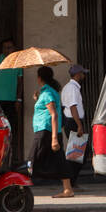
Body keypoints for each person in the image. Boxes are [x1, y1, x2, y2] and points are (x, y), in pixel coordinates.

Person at [31, 66, 73, 198]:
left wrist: (54, 138)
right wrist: (38, 99)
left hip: (46, 131)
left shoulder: (47, 92)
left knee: (32, 159)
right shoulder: (49, 91)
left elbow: (53, 114)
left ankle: (20, 187)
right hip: (51, 131)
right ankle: (68, 190)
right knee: (59, 160)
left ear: (39, 78)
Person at [61, 64, 89, 190]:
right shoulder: (72, 88)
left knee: (77, 153)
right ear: (77, 75)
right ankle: (70, 182)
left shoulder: (71, 87)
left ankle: (72, 181)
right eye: (82, 73)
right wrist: (79, 125)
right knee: (77, 153)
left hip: (72, 121)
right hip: (73, 121)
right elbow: (72, 107)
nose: (84, 75)